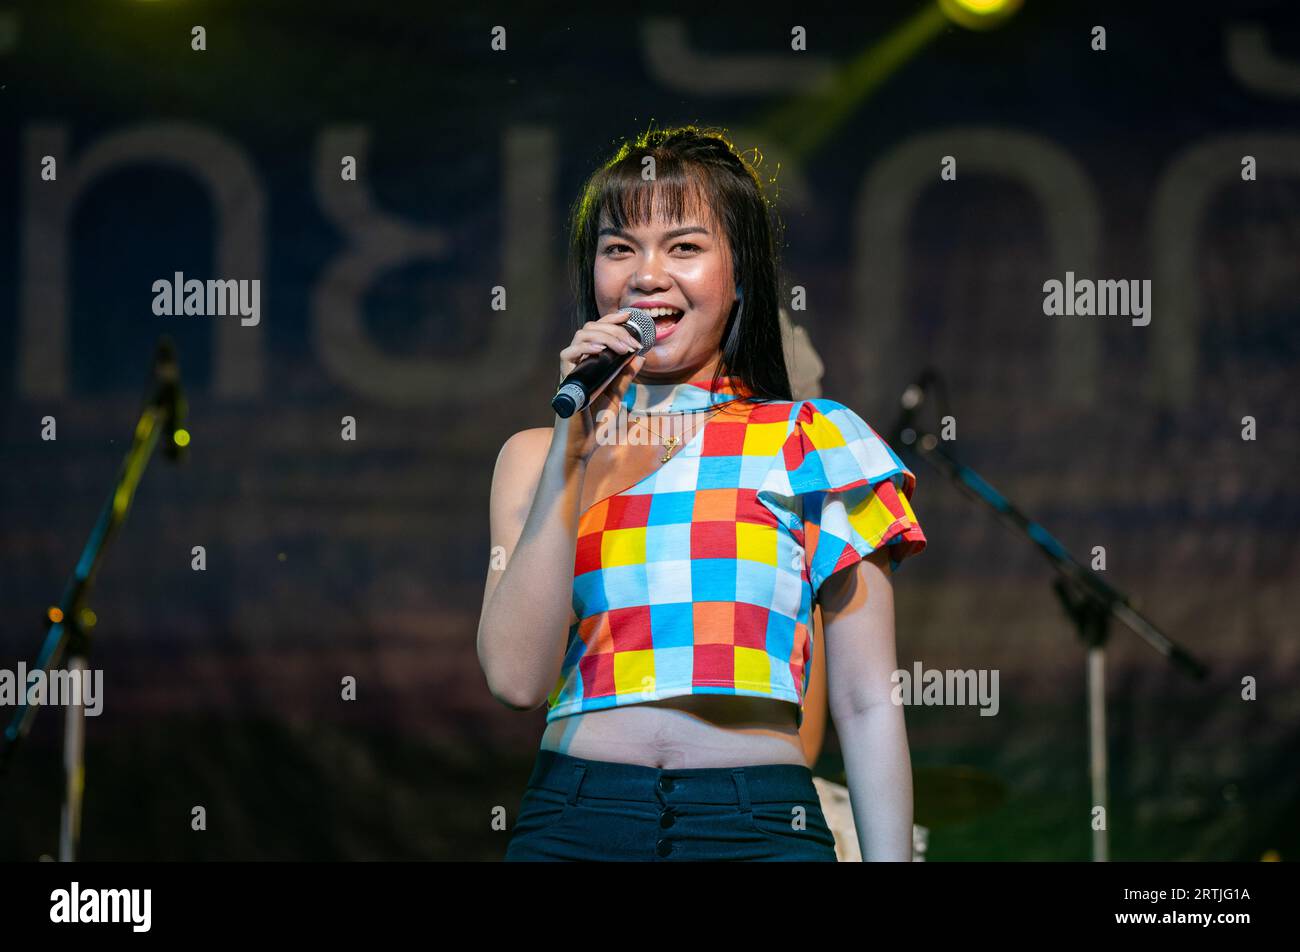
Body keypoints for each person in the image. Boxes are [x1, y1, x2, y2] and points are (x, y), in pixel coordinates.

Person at [478, 125, 927, 861]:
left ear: (741, 273)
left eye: (684, 247)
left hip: (756, 825)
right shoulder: (537, 456)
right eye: (620, 247)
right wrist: (571, 448)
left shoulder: (813, 440)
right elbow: (516, 678)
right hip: (575, 817)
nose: (647, 275)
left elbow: (868, 702)